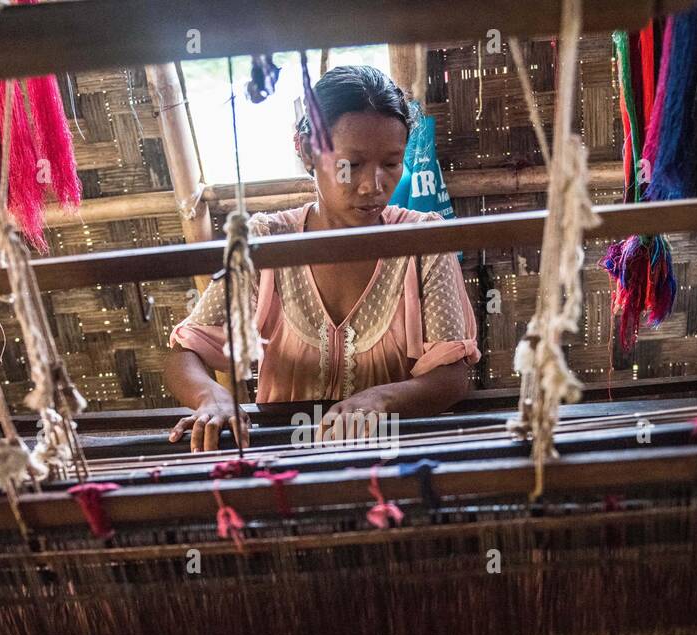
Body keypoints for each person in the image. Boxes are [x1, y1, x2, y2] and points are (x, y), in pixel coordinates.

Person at [165, 64, 480, 452]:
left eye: (391, 163)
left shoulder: (423, 242)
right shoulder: (264, 243)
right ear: (306, 151)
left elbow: (451, 377)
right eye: (352, 164)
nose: (373, 185)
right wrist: (209, 396)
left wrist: (380, 399)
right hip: (285, 462)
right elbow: (186, 353)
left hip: (391, 460)